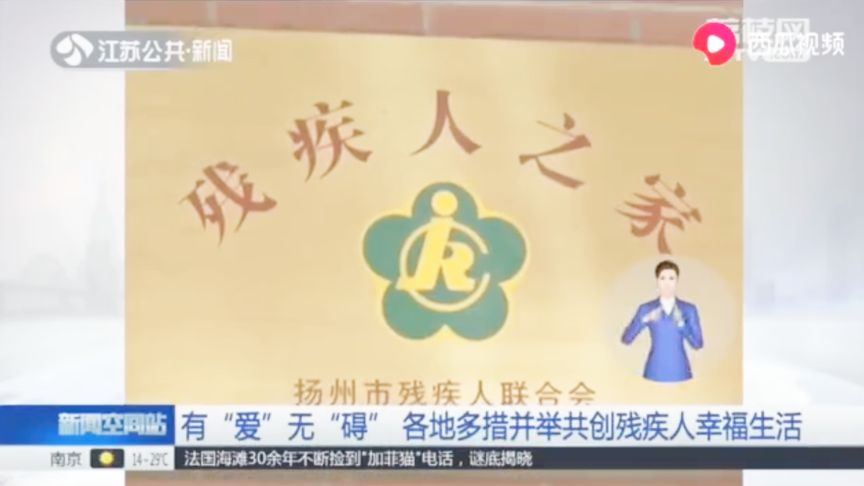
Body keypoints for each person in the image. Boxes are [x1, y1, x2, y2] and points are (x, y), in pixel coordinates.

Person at [621, 260, 703, 382]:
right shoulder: (646, 308)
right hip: (654, 370)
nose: (667, 283)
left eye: (671, 278)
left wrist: (682, 325)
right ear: (657, 281)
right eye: (662, 278)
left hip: (680, 370)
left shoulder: (688, 309)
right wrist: (645, 319)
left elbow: (697, 344)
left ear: (677, 281)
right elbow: (626, 339)